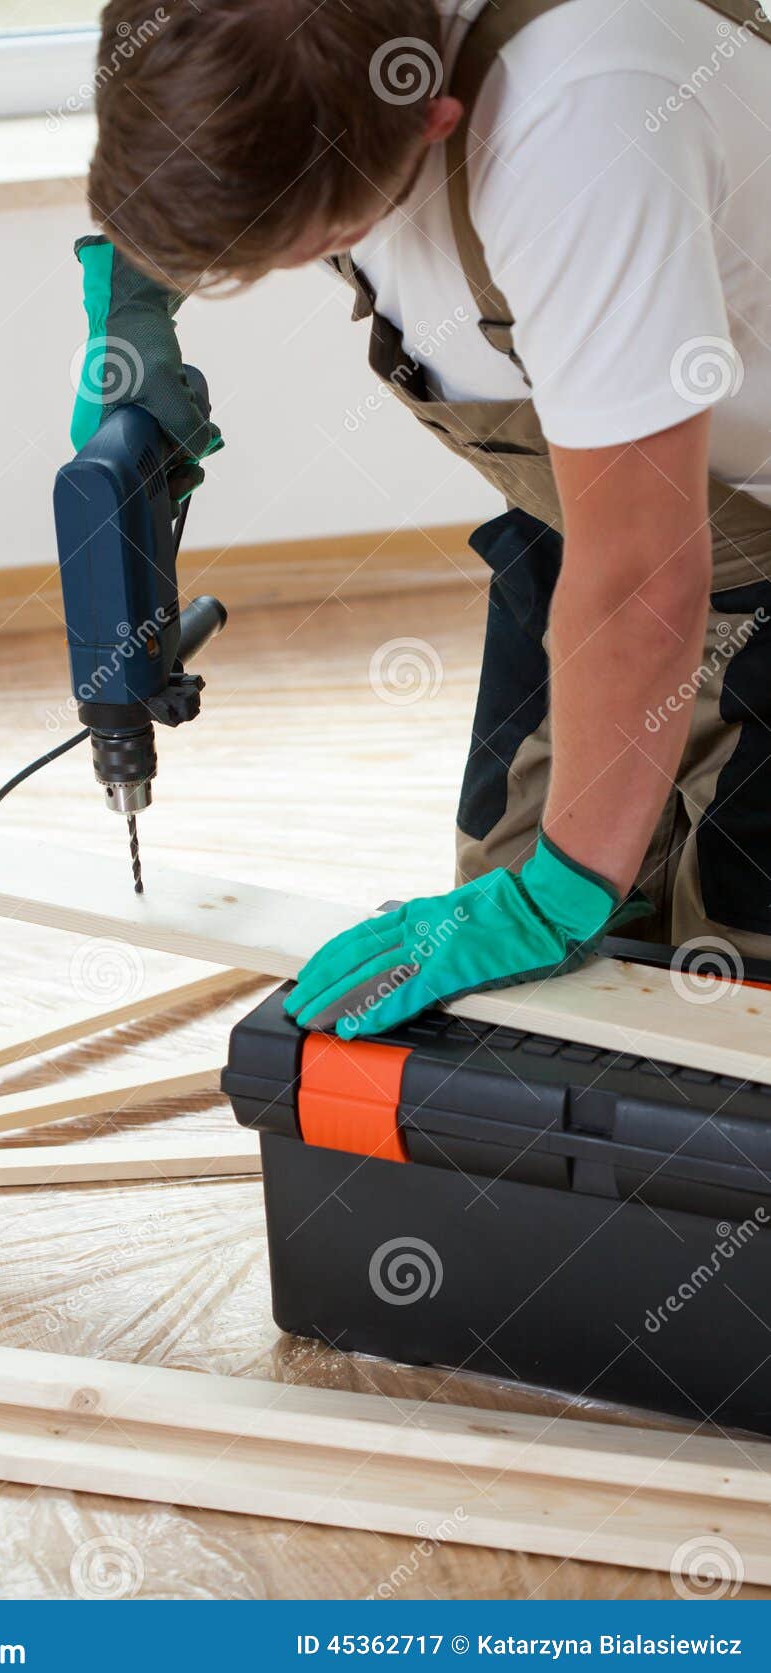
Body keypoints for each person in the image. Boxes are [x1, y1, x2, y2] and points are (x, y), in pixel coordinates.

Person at [76, 0, 771, 1036]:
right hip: (599, 513)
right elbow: (192, 89)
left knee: (718, 1008)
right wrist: (132, 292)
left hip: (694, 535)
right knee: (510, 993)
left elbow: (641, 576)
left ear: (434, 122)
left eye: (312, 244)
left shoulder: (578, 128)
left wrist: (557, 895)